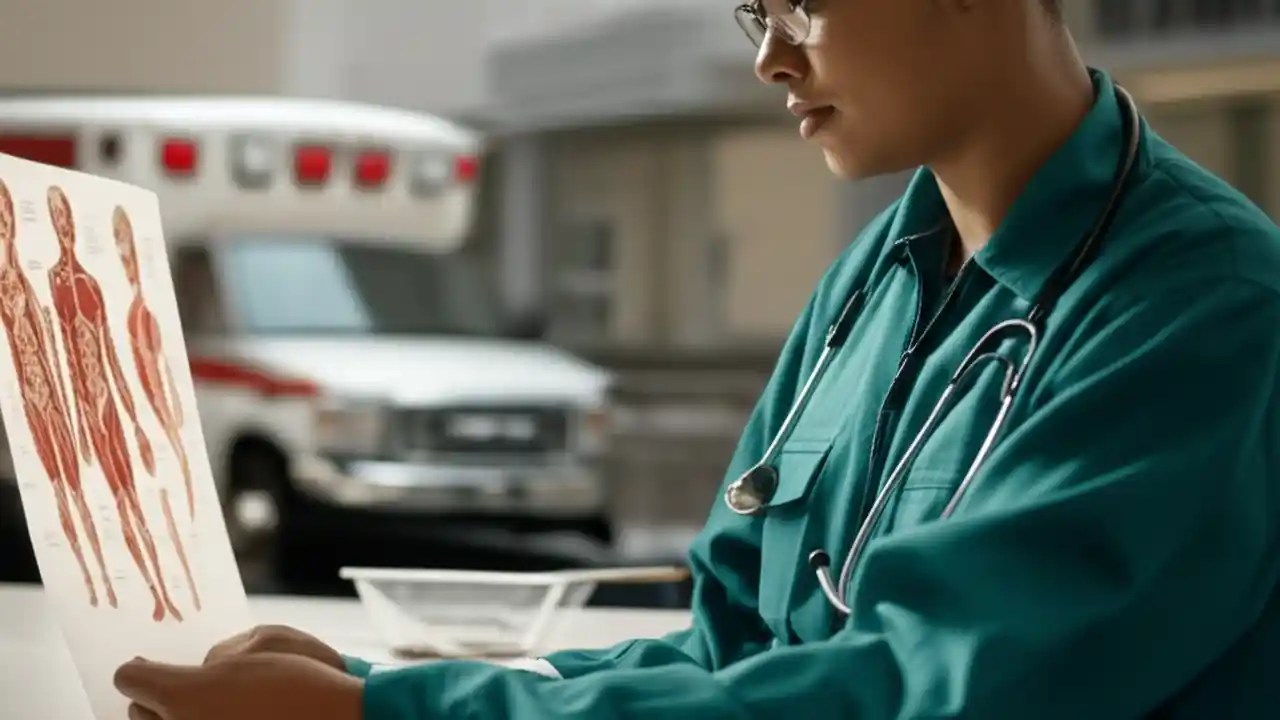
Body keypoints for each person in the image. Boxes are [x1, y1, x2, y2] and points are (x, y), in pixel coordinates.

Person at [115, 1, 1280, 718]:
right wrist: (370, 693)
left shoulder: (1203, 310)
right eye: (750, 8)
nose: (770, 56)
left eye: (804, 1)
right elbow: (733, 653)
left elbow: (921, 697)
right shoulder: (872, 280)